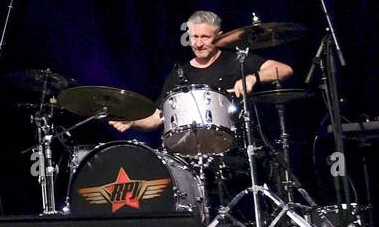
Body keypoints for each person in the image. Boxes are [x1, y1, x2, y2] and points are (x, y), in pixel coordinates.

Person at [111, 10, 293, 135]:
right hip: (193, 153)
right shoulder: (180, 73)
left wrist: (253, 78)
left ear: (219, 36)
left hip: (235, 146)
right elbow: (157, 117)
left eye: (205, 37)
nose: (198, 44)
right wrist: (133, 122)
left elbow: (284, 69)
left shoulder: (236, 60)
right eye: (194, 37)